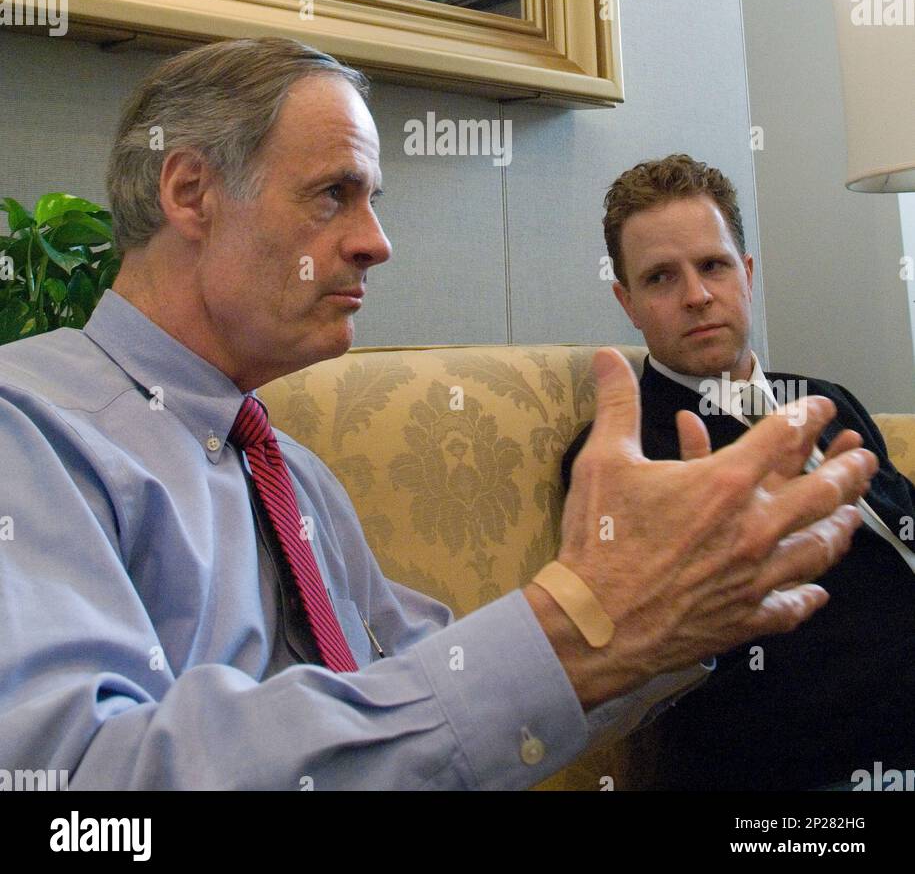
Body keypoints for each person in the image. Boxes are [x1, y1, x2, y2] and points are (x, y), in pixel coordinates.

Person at [0, 41, 875, 791]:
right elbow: (78, 789)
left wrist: (668, 619)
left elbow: (435, 689)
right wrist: (580, 628)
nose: (376, 242)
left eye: (372, 200)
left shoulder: (296, 475)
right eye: (333, 193)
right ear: (191, 192)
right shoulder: (30, 426)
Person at [562, 153, 915, 791]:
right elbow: (647, 653)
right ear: (627, 303)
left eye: (713, 266)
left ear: (746, 274)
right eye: (661, 278)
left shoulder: (825, 399)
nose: (697, 296)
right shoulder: (620, 453)